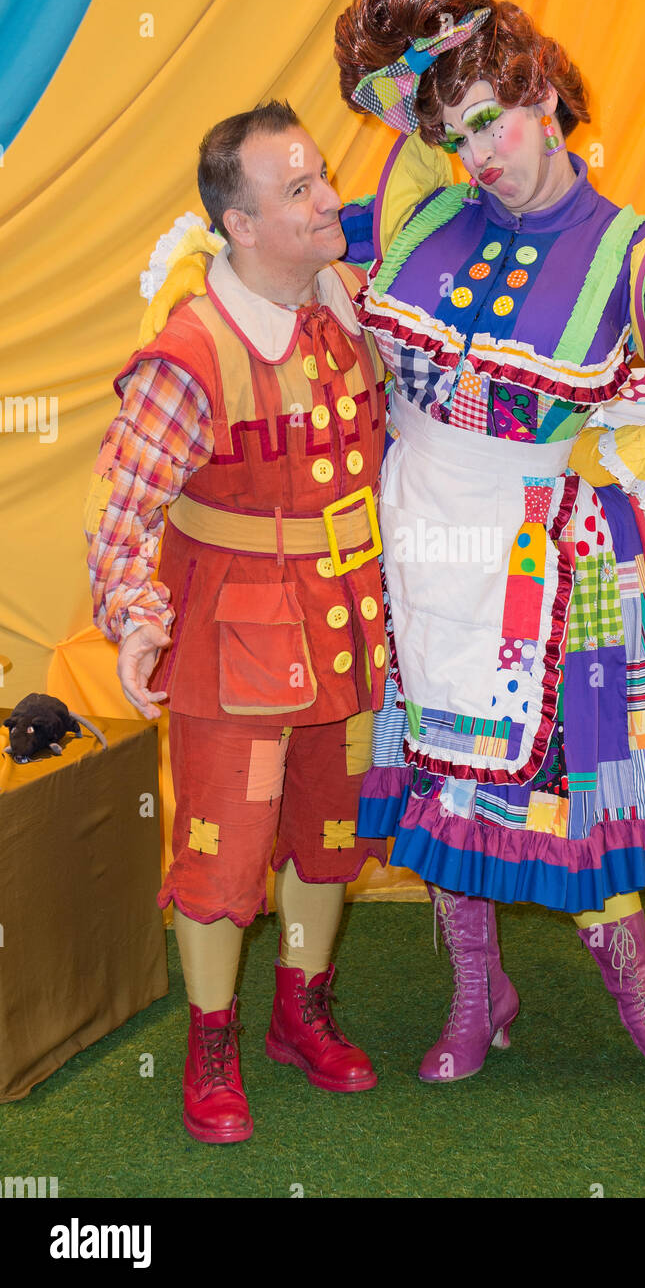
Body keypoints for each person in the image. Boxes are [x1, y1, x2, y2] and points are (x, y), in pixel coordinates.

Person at [331, 0, 645, 1109]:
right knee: (442, 775)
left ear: (544, 95)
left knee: (584, 789)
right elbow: (301, 250)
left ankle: (643, 1006)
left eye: (491, 117)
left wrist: (629, 449)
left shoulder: (640, 254)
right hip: (423, 538)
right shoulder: (423, 217)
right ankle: (474, 991)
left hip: (558, 563)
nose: (477, 152)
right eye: (453, 131)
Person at [84, 101, 391, 1143]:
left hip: (347, 625)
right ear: (241, 224)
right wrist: (135, 618)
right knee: (223, 856)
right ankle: (210, 1040)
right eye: (300, 190)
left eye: (324, 176)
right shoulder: (192, 350)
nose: (331, 199)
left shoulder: (353, 304)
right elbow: (121, 508)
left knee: (327, 835)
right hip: (232, 642)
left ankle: (300, 1013)